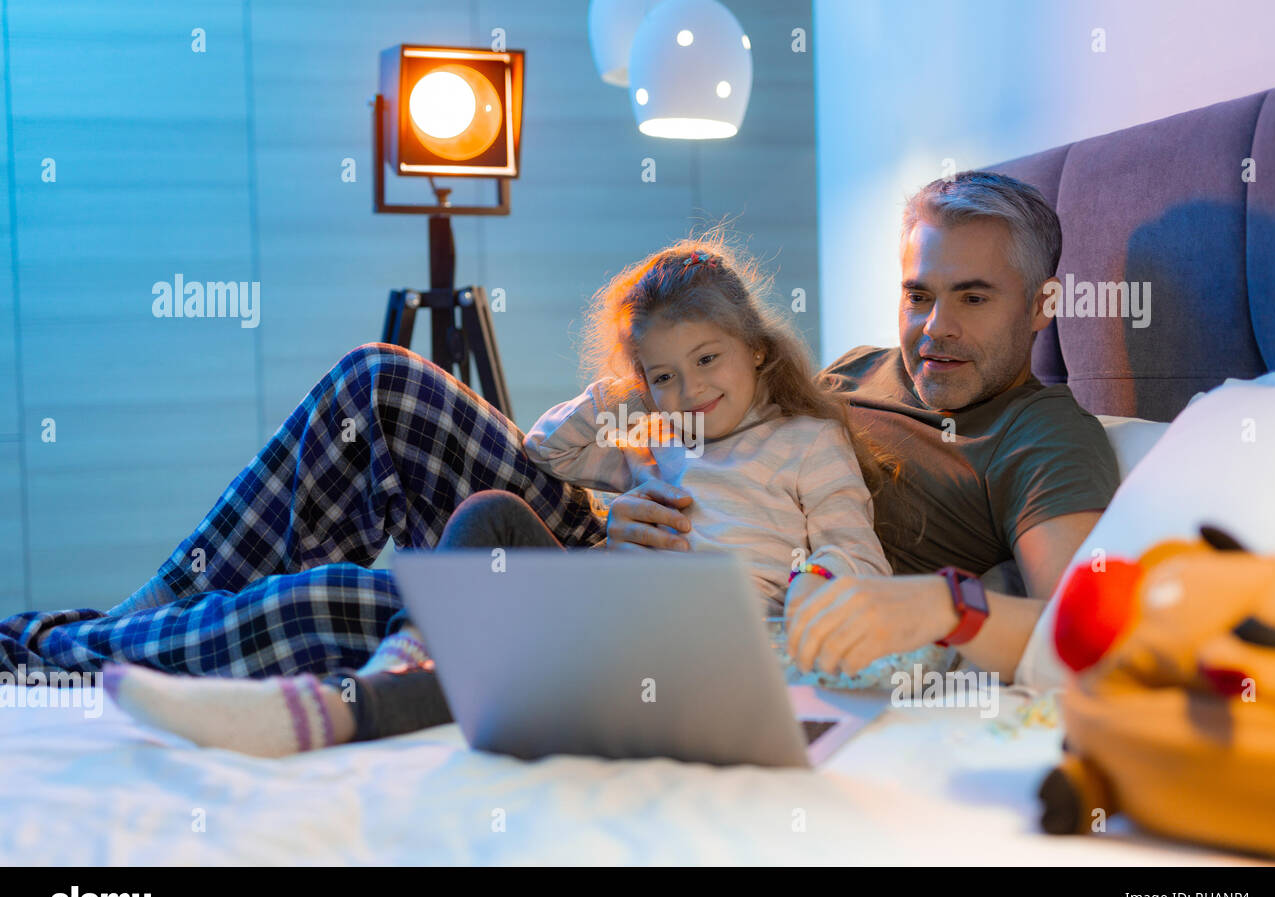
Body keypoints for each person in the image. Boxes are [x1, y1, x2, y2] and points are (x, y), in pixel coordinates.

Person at [77, 236, 899, 756]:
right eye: (666, 374)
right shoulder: (665, 436)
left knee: (345, 603)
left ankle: (335, 706)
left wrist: (806, 601)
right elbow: (545, 453)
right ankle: (89, 646)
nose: (690, 387)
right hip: (591, 598)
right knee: (485, 522)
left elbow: (854, 558)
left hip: (693, 635)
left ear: (756, 350)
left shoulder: (804, 442)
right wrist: (625, 401)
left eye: (709, 360)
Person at [607, 172, 1120, 681]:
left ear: (1041, 304)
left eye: (974, 298)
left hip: (753, 646)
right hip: (648, 583)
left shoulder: (1044, 433)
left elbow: (1083, 639)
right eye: (919, 296)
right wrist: (630, 512)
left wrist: (947, 606)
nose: (936, 327)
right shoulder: (854, 369)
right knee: (524, 473)